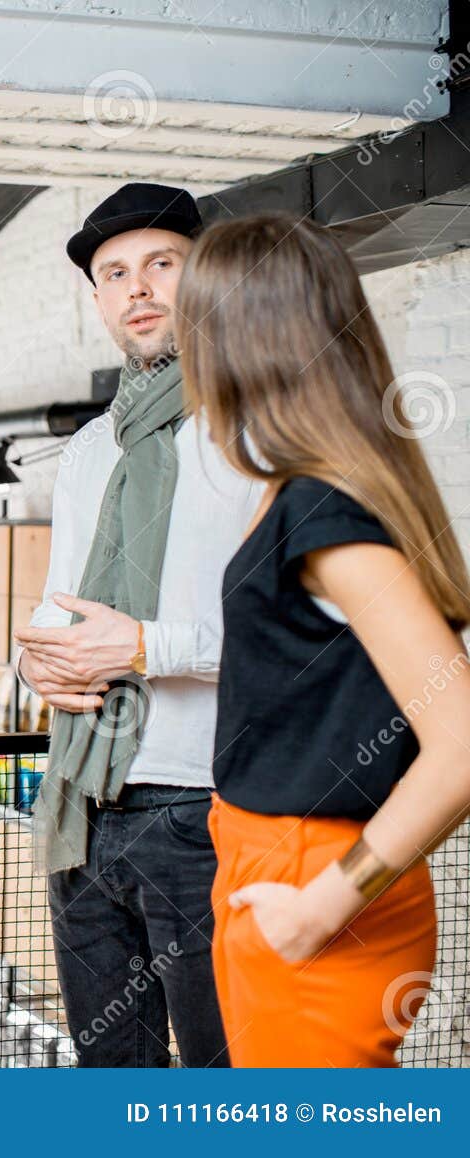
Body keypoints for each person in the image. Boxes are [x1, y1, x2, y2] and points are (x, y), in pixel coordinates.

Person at [177, 214, 470, 1066]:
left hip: (312, 886)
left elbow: (460, 746)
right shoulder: (313, 494)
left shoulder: (325, 513)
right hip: (275, 860)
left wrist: (322, 907)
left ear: (239, 342)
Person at [13, 183, 257, 1068]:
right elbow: (58, 602)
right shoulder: (90, 449)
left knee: (225, 1074)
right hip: (84, 805)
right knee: (110, 1075)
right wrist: (35, 661)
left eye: (162, 264)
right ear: (99, 300)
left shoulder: (253, 432)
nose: (138, 288)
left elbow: (299, 639)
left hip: (206, 810)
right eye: (116, 273)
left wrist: (149, 647)